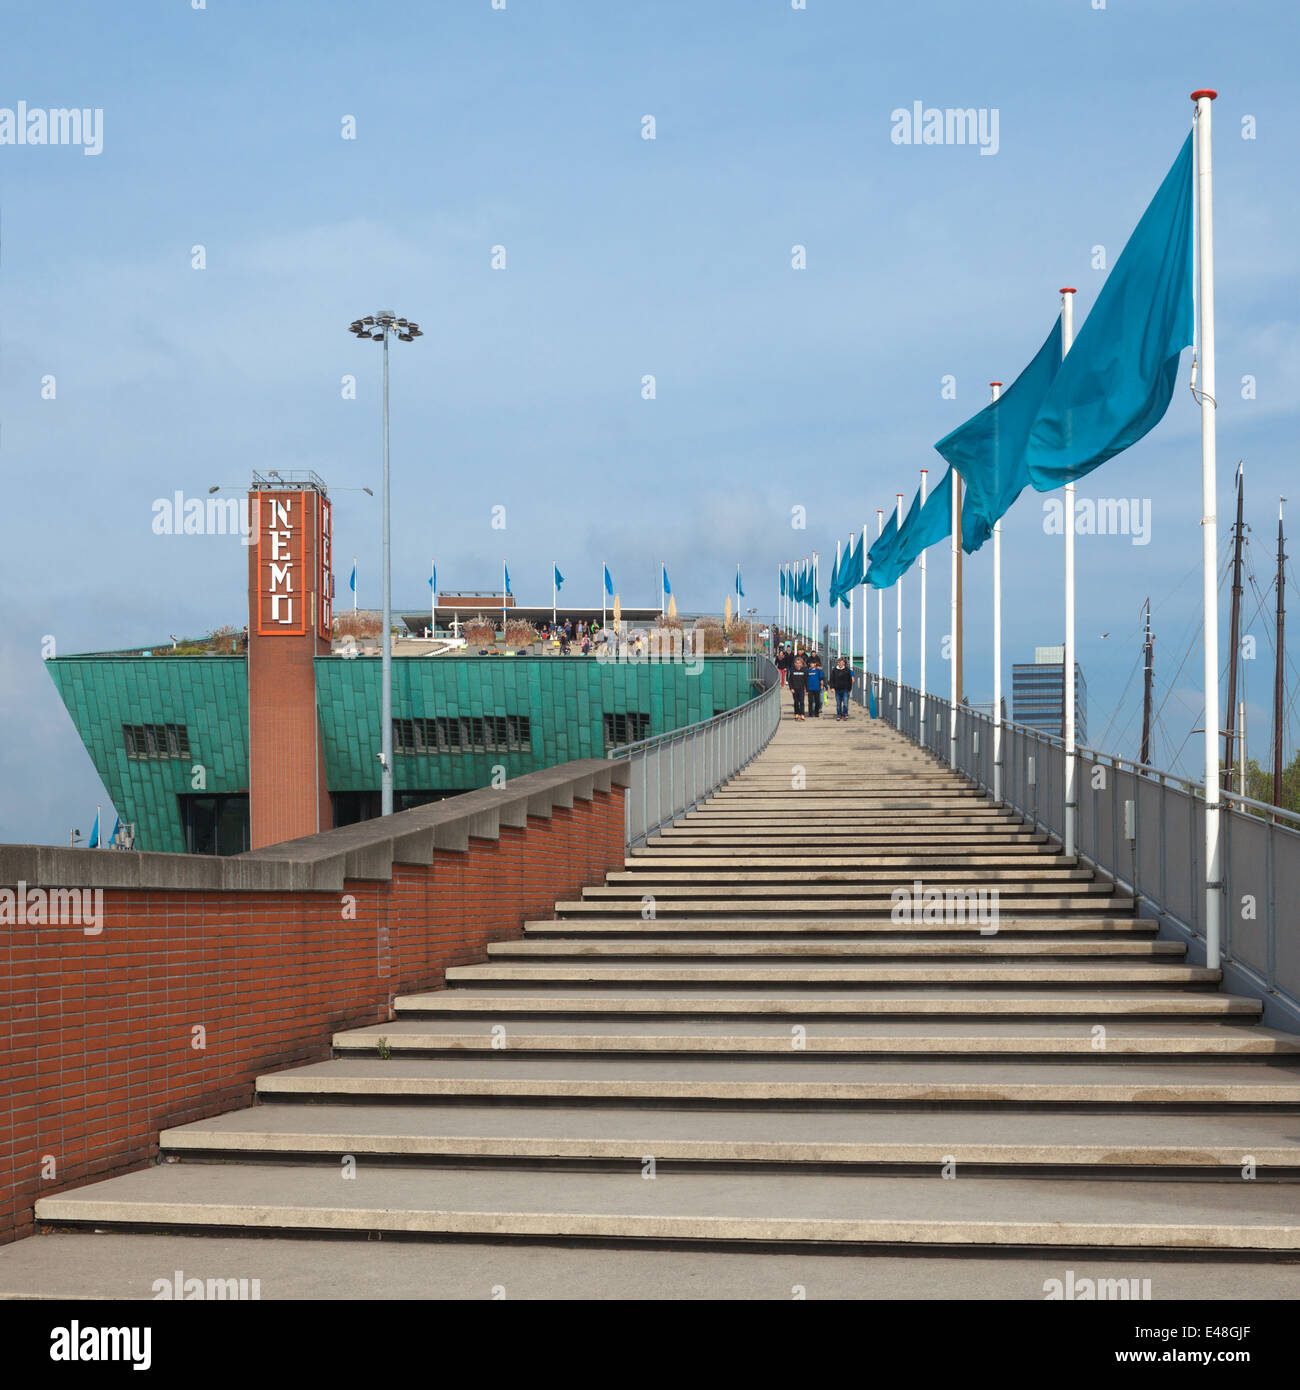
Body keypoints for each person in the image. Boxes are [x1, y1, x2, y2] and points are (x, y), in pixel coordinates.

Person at [788, 656, 807, 721]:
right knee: (796, 702)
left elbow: (806, 680)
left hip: (801, 689)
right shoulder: (792, 670)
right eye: (797, 663)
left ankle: (802, 714)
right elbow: (790, 680)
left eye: (799, 663)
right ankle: (796, 713)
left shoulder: (804, 670)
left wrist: (806, 689)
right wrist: (791, 688)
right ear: (795, 663)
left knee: (802, 702)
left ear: (802, 664)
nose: (798, 664)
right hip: (794, 689)